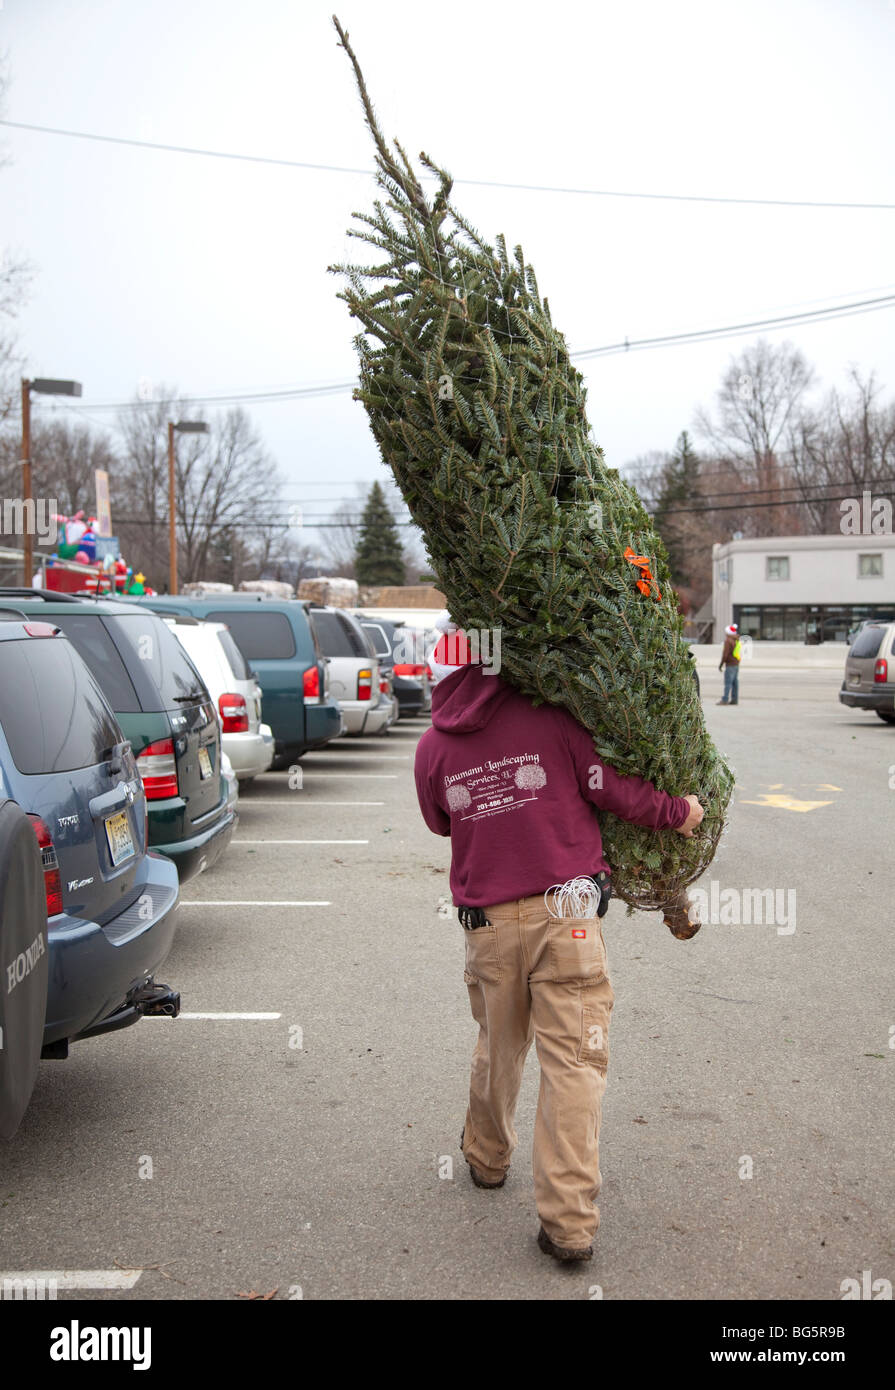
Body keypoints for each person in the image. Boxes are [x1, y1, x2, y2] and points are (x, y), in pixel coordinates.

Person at [413, 614, 705, 1263]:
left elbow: (438, 821)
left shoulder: (432, 744)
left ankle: (487, 1160)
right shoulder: (554, 719)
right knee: (573, 1065)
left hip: (487, 925)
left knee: (498, 1042)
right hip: (568, 918)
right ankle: (569, 1225)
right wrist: (677, 812)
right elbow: (613, 791)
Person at [717, 622, 742, 705]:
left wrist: (721, 664)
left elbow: (725, 654)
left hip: (730, 664)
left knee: (728, 682)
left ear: (728, 633)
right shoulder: (736, 639)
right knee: (735, 682)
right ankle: (735, 699)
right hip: (736, 664)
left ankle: (725, 699)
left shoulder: (728, 641)